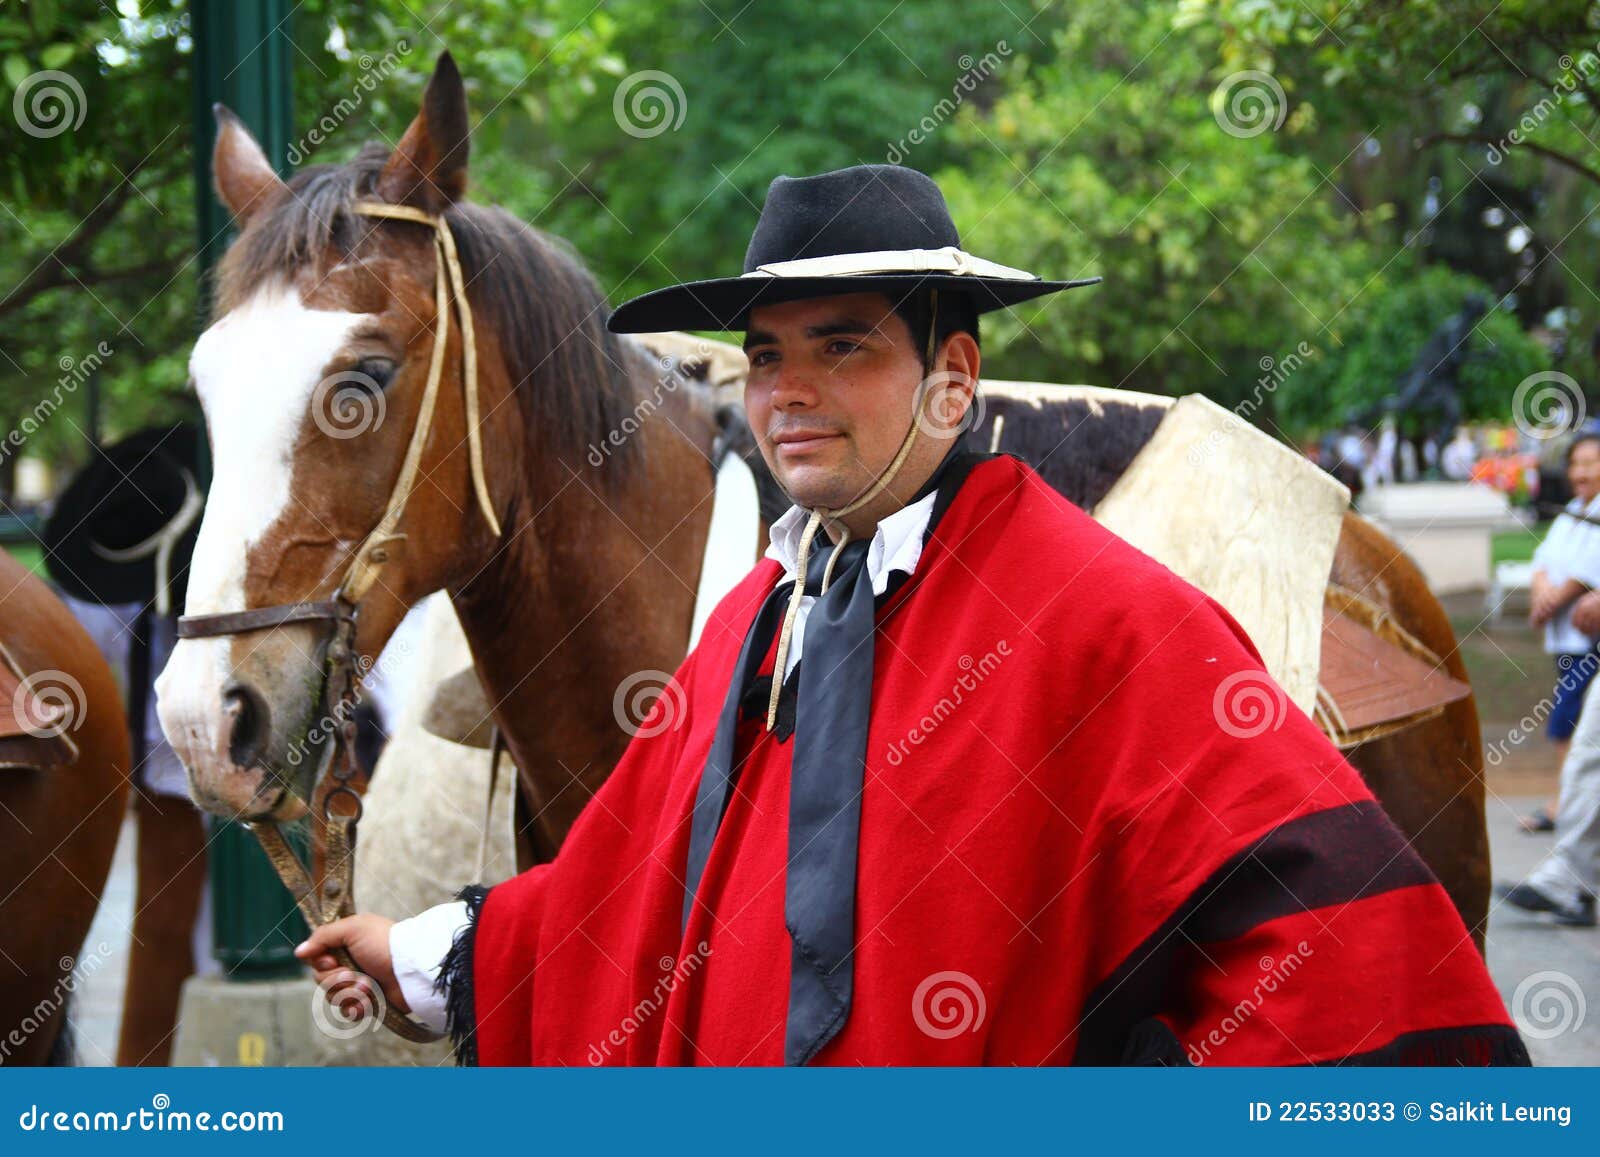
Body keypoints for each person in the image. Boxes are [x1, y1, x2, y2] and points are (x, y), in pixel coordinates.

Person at [296, 165, 1524, 1066]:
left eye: (845, 347)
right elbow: (624, 887)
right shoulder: (756, 616)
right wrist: (417, 955)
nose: (793, 392)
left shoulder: (1100, 615)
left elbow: (1337, 938)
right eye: (768, 355)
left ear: (954, 377)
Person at [1520, 433, 1600, 832]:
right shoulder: (1572, 511)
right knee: (1574, 721)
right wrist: (1540, 593)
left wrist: (1550, 601)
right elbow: (1542, 560)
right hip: (1564, 640)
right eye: (1576, 464)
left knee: (1567, 721)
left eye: (1591, 463)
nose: (1582, 472)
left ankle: (1564, 805)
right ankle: (1573, 803)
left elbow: (1585, 572)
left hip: (1589, 643)